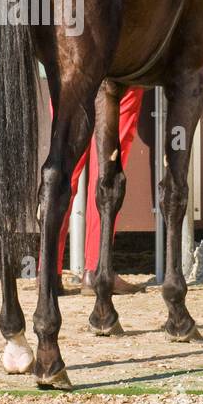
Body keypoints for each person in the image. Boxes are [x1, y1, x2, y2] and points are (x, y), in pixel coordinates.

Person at [53, 86, 147, 293]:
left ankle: (49, 271)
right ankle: (95, 269)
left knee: (63, 169)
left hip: (66, 73)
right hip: (119, 77)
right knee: (107, 170)